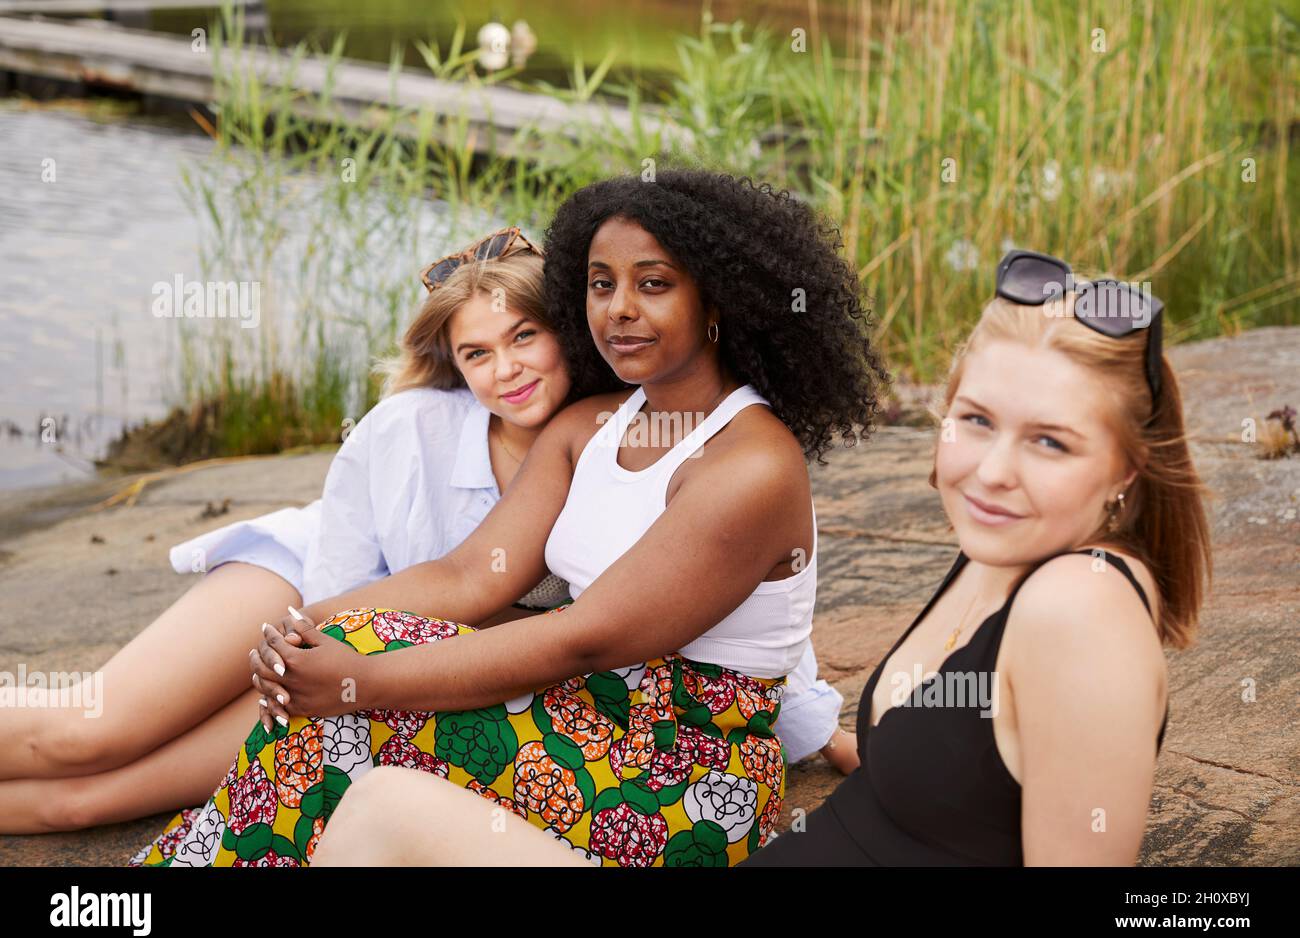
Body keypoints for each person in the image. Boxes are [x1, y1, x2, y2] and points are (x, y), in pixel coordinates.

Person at [308, 250, 1212, 868]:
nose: (993, 471)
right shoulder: (1002, 553)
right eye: (975, 422)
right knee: (384, 800)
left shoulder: (1080, 608)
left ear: (1128, 467)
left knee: (386, 804)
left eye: (1050, 443)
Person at [129, 168, 890, 866]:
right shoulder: (593, 425)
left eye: (652, 284)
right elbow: (465, 578)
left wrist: (362, 682)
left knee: (353, 714)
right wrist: (307, 630)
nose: (619, 309)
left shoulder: (750, 465)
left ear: (717, 298)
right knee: (356, 643)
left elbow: (582, 638)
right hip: (588, 720)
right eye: (599, 285)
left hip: (681, 775)